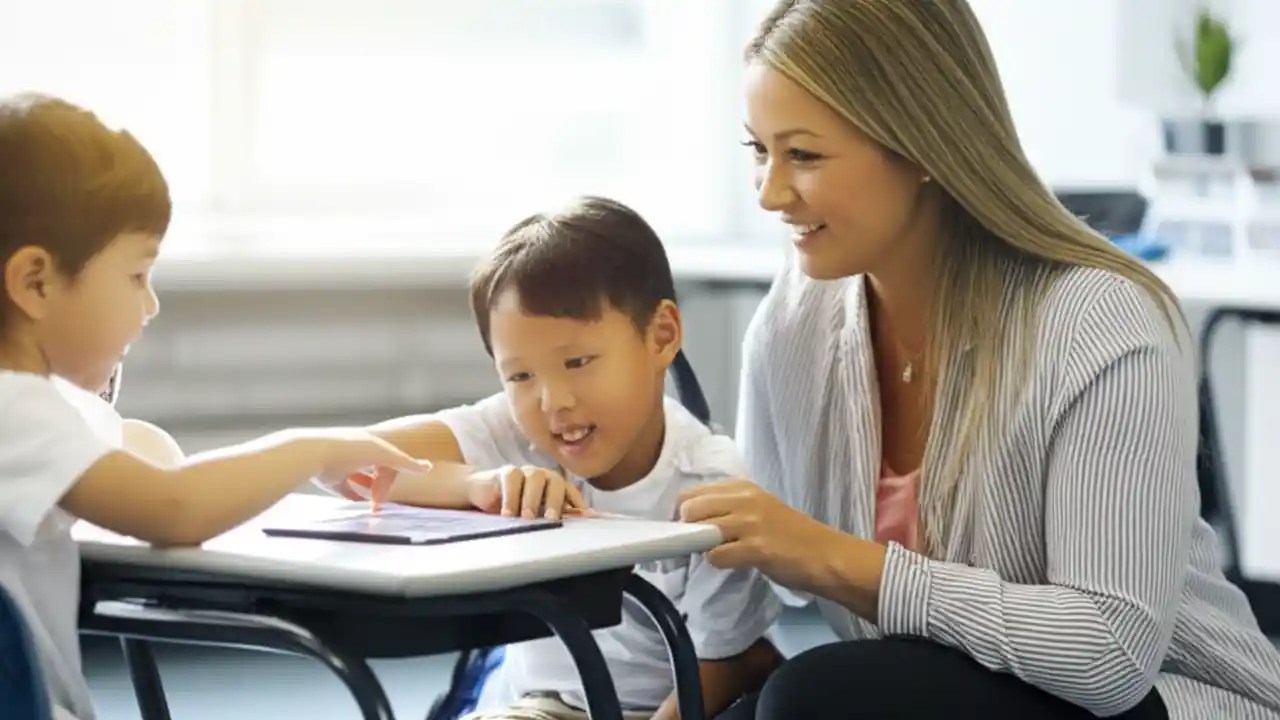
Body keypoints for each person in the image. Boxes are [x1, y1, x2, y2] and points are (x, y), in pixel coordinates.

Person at [676, 1, 1280, 718]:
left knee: (818, 697)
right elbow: (773, 564)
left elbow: (1109, 655)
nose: (770, 193)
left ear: (923, 144)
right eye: (758, 150)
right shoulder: (792, 323)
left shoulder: (1098, 322)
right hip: (931, 691)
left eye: (803, 154)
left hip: (1152, 700)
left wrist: (847, 562)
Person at [0, 93, 429, 720]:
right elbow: (175, 508)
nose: (149, 306)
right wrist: (316, 447)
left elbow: (137, 451)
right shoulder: (15, 409)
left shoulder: (31, 414)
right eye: (136, 276)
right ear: (36, 282)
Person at [328, 196, 782, 720]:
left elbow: (727, 657)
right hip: (538, 706)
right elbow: (347, 463)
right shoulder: (516, 435)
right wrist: (479, 485)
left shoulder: (711, 480)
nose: (552, 401)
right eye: (520, 376)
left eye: (578, 361)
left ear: (661, 337)